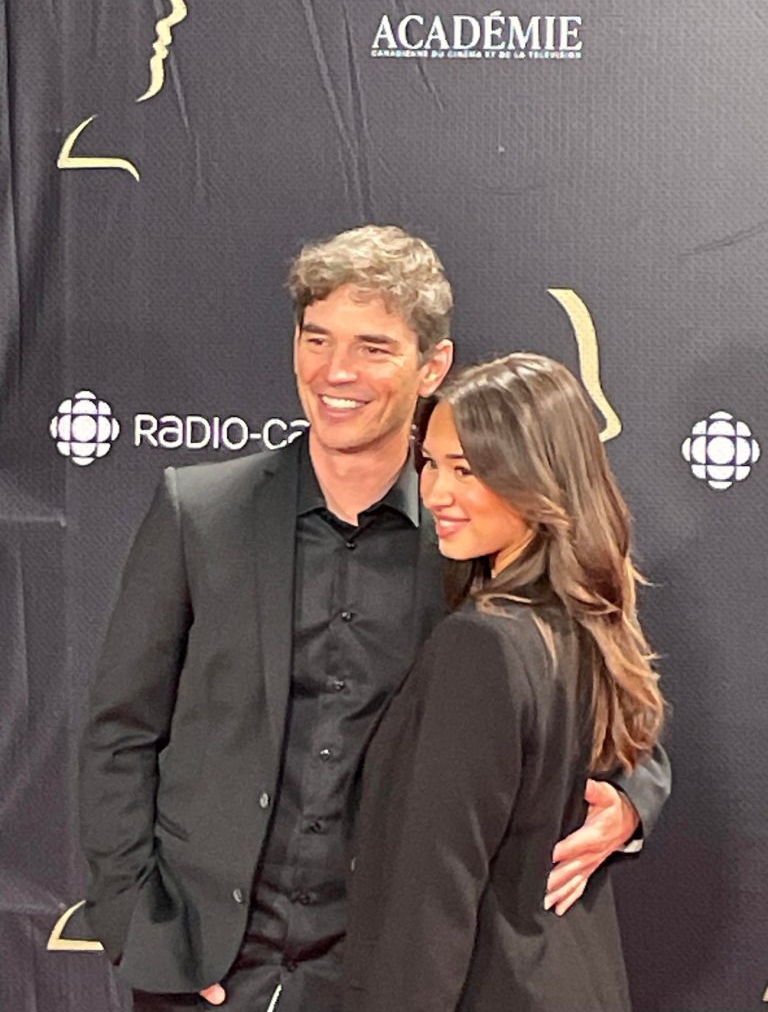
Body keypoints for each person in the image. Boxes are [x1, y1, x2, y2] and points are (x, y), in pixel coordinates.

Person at [78, 227, 670, 1012]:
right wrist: (136, 927)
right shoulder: (200, 513)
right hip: (205, 969)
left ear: (433, 367)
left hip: (382, 972)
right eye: (316, 338)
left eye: (373, 347)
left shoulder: (476, 534)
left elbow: (601, 697)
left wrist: (630, 802)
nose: (336, 372)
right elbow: (120, 733)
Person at [342, 353, 666, 1012]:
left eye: (467, 470)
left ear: (536, 479)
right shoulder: (588, 624)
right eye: (430, 464)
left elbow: (434, 888)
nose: (435, 492)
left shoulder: (482, 643)